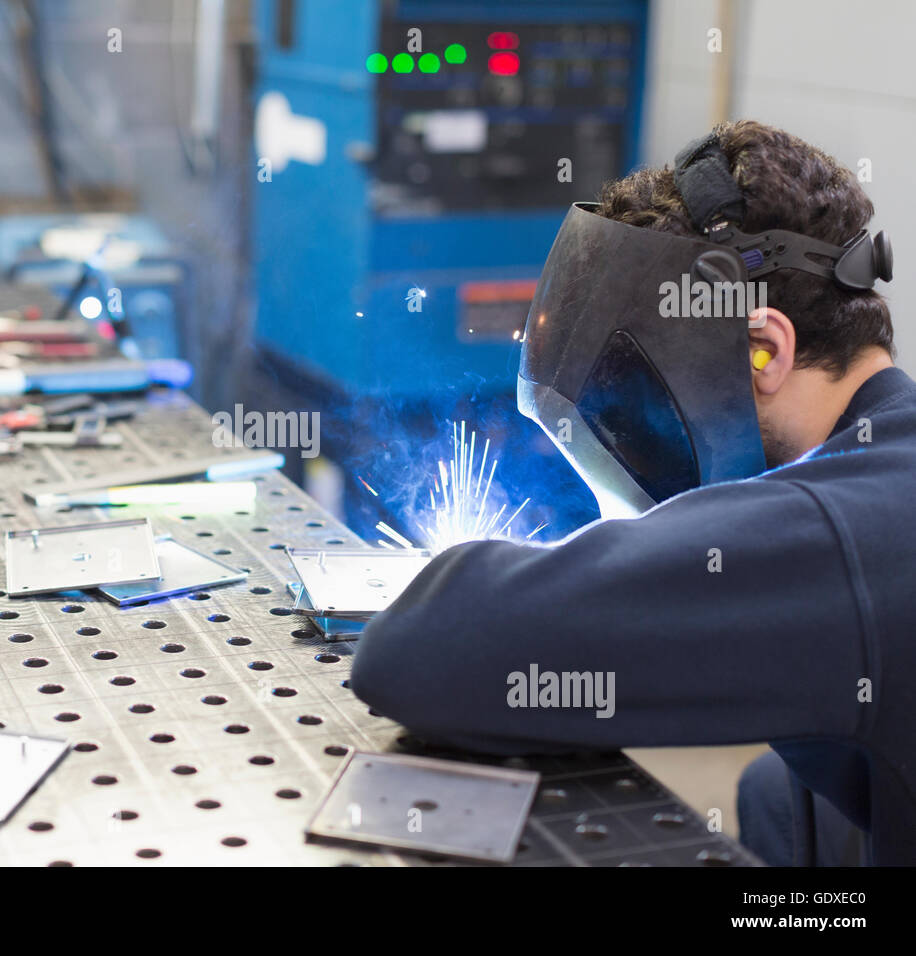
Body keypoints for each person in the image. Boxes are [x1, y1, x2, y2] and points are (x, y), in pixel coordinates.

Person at [350, 120, 910, 866]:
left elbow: (419, 655)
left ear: (762, 349)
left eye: (631, 412)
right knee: (778, 790)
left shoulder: (847, 529)